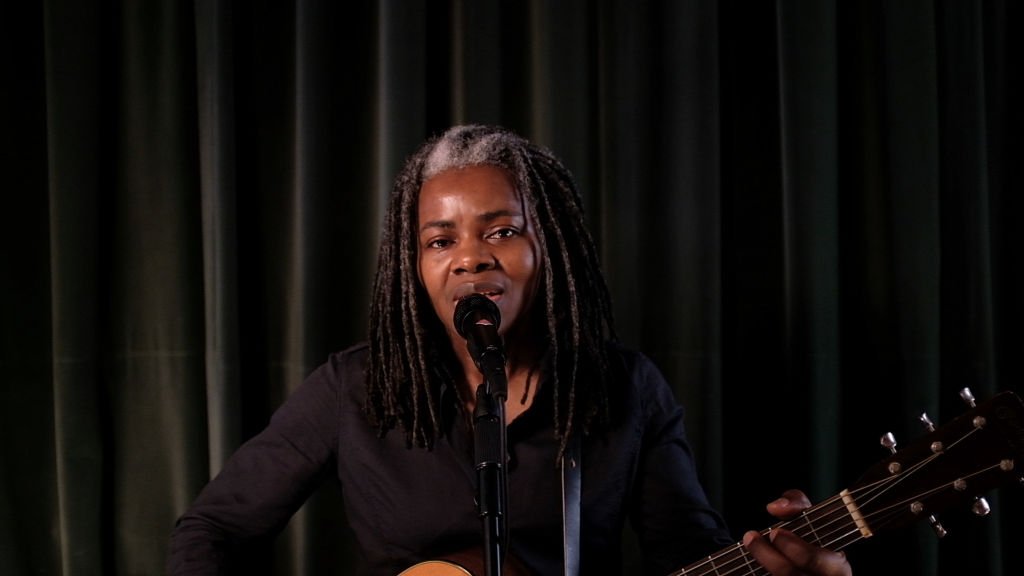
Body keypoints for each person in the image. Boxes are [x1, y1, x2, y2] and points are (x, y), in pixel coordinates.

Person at [168, 125, 851, 576]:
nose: (469, 258)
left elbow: (693, 556)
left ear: (550, 249)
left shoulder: (624, 389)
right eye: (441, 241)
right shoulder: (353, 386)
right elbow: (212, 530)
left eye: (501, 231)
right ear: (414, 269)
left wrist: (786, 568)